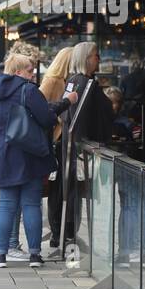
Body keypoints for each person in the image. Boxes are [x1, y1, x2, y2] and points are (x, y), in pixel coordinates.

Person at [0, 52, 76, 269]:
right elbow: (46, 118)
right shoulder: (28, 90)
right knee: (31, 204)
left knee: (6, 204)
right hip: (29, 153)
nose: (33, 74)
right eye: (29, 70)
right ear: (18, 71)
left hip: (4, 154)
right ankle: (35, 255)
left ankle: (0, 254)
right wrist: (64, 104)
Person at [52, 41, 113, 254]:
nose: (99, 59)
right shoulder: (86, 84)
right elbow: (83, 119)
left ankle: (64, 234)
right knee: (73, 193)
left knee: (68, 191)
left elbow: (66, 115)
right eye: (96, 55)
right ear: (86, 59)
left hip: (71, 145)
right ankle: (68, 235)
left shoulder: (73, 81)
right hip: (78, 148)